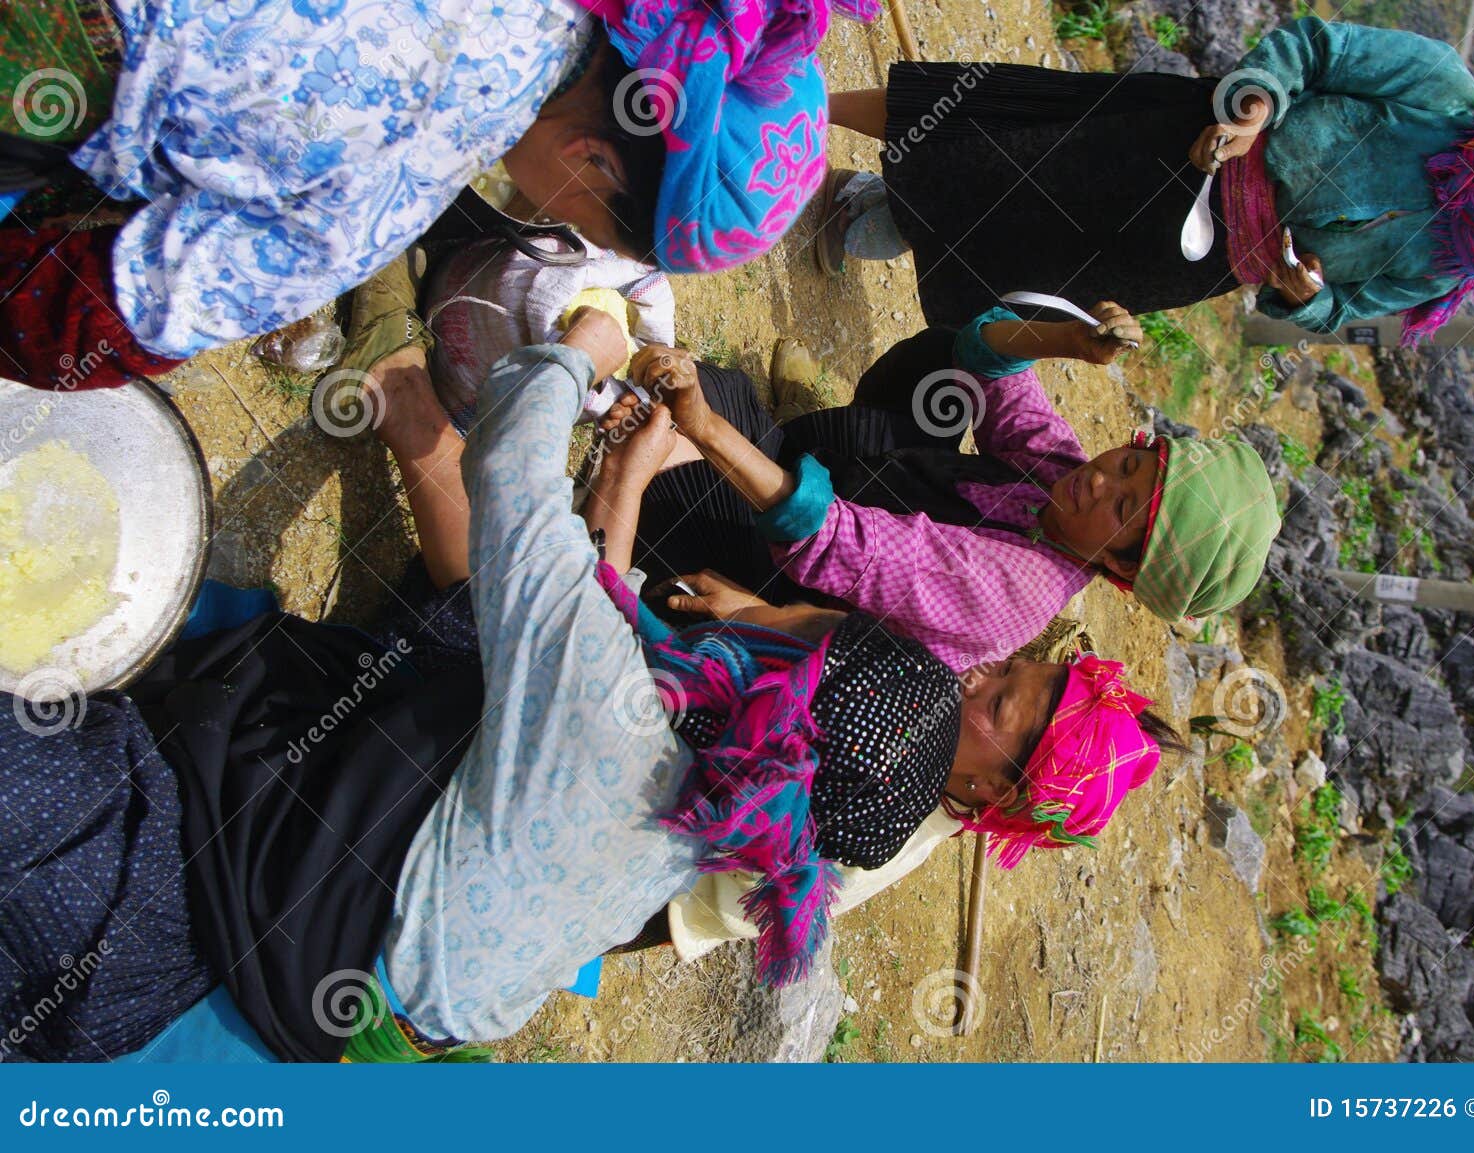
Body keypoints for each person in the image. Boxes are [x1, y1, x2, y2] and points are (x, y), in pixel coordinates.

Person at [0, 302, 1177, 1060]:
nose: (997, 692)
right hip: (324, 1006)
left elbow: (517, 475)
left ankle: (406, 396)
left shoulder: (617, 698)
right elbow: (581, 659)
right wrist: (626, 484)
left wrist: (579, 353)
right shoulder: (728, 824)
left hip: (232, 891)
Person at [0, 0, 874, 391]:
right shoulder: (392, 192)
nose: (554, 219)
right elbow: (86, 321)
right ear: (595, 161)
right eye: (585, 221)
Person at [816, 16, 1474, 342]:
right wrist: (1256, 106)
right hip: (1186, 139)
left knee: (1041, 262)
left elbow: (1347, 309)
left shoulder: (1446, 265)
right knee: (1009, 142)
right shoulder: (1438, 84)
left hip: (1199, 259)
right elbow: (1314, 48)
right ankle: (809, 106)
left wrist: (1311, 297)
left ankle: (900, 217)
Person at [602, 305, 1281, 673]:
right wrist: (1068, 338)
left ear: (1121, 566)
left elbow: (831, 538)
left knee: (703, 419)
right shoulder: (1061, 480)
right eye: (1129, 464)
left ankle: (624, 508)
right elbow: (986, 357)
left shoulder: (1017, 586)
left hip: (790, 590)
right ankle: (721, 442)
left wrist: (709, 426)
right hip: (841, 512)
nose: (1100, 478)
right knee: (942, 372)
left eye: (1124, 507)